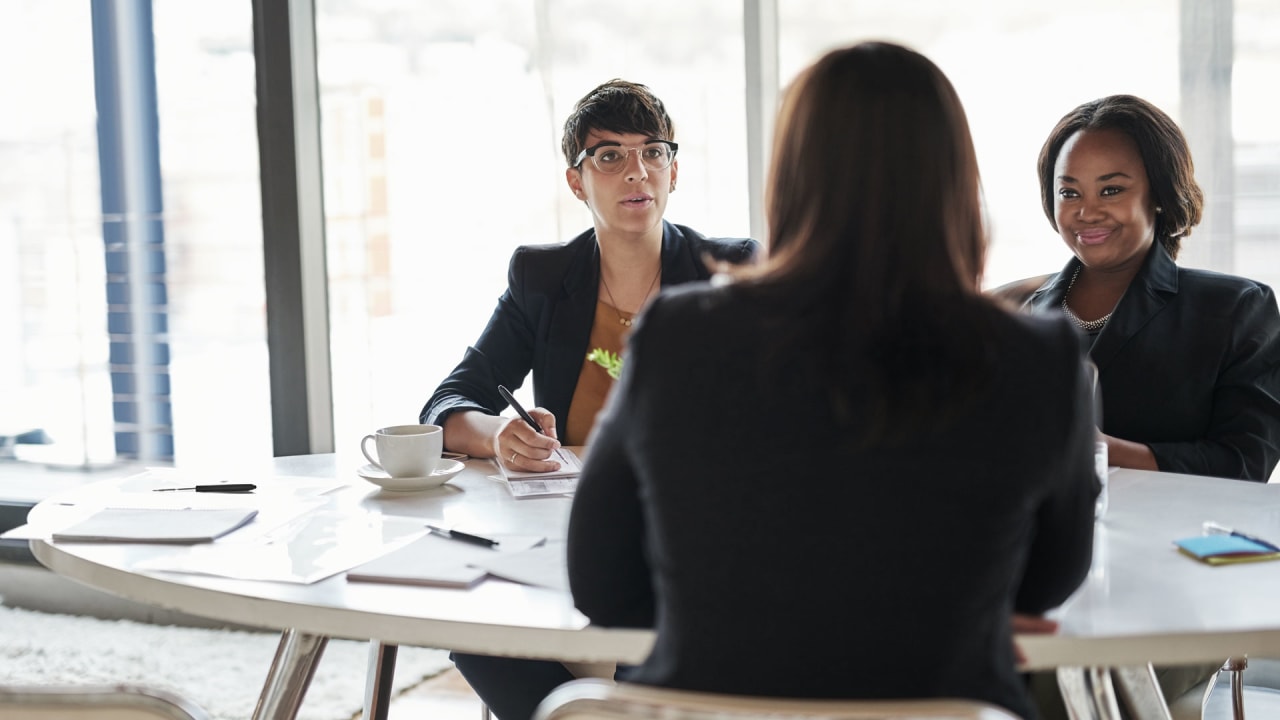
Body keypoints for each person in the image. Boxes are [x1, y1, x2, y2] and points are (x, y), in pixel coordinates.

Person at [567, 42, 1098, 720]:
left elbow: (602, 585)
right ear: (955, 179)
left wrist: (728, 618)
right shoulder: (1039, 358)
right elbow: (1049, 580)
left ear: (789, 176)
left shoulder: (680, 335)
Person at [419, 79, 757, 720]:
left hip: (690, 538)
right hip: (564, 534)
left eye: (653, 153)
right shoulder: (544, 280)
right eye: (610, 156)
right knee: (456, 615)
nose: (637, 171)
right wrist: (497, 435)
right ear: (577, 182)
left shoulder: (729, 272)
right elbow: (449, 399)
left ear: (674, 171)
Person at [1021, 94, 1280, 482]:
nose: (1086, 211)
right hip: (1037, 539)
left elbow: (1245, 463)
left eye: (1111, 190)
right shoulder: (1015, 312)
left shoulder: (1237, 310)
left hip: (1176, 541)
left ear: (1158, 194)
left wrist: (1096, 450)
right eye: (1069, 192)